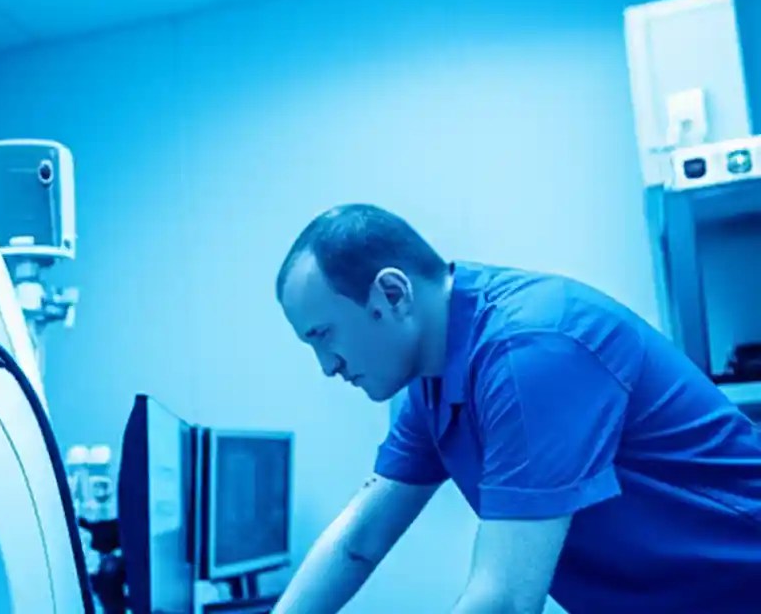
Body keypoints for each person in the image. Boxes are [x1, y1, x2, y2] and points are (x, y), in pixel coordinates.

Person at [271, 203, 761, 614]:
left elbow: (504, 600)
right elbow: (358, 540)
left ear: (393, 294)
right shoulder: (433, 384)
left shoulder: (531, 351)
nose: (326, 365)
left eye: (323, 334)